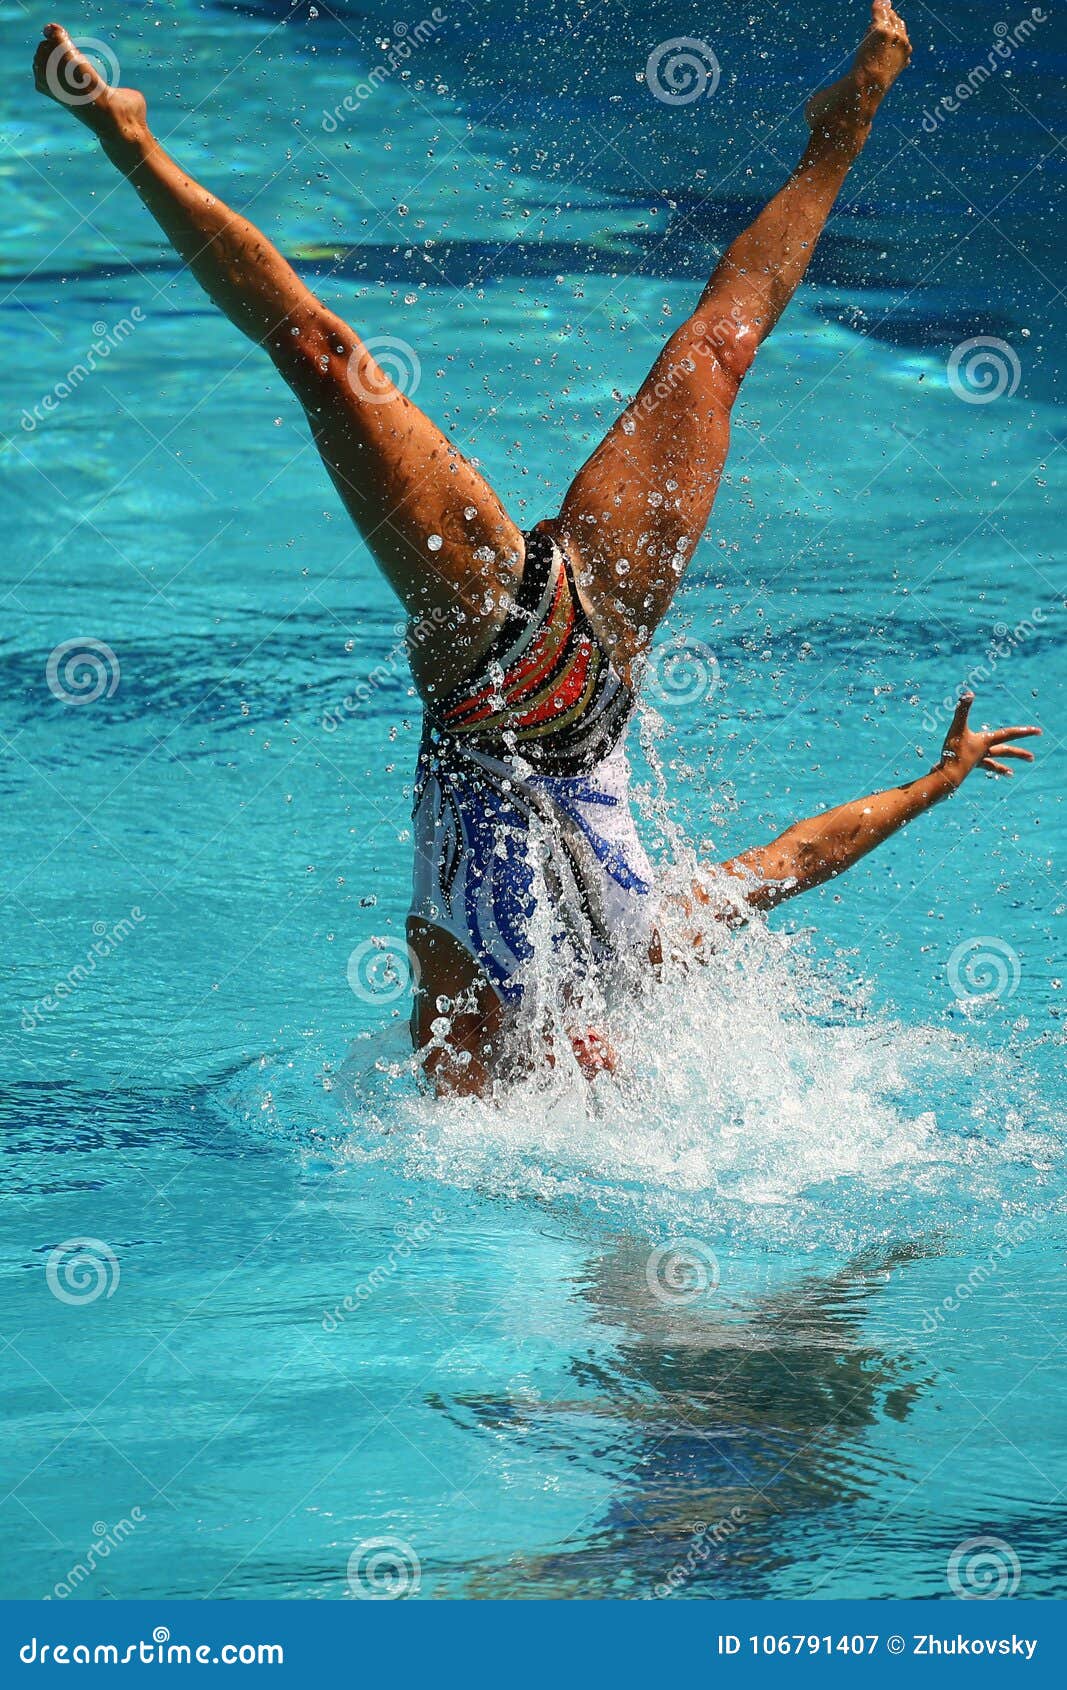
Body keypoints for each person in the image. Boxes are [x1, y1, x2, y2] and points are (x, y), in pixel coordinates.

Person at [33, 7, 1039, 1096]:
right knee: (718, 347)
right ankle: (842, 127)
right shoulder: (646, 957)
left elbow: (450, 1124)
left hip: (478, 670)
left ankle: (129, 142)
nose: (595, 1056)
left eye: (582, 1069)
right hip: (599, 654)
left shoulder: (464, 1045)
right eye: (610, 1064)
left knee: (326, 361)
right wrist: (936, 781)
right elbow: (796, 859)